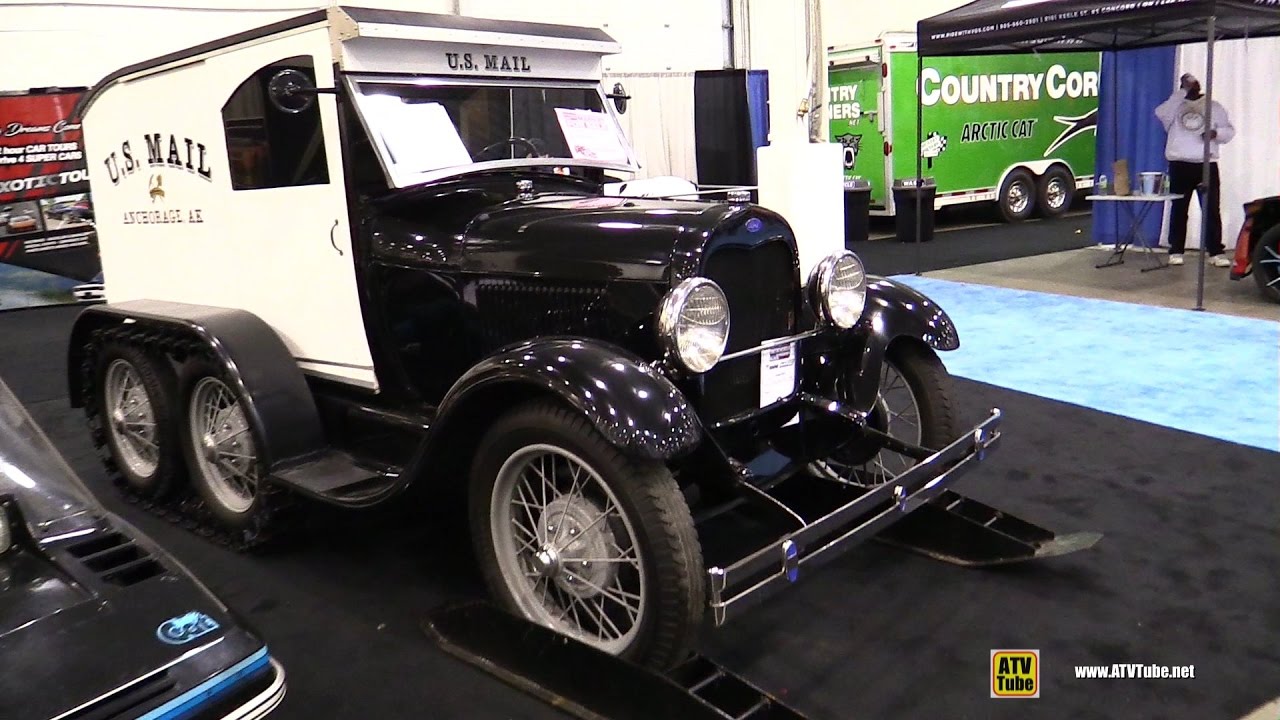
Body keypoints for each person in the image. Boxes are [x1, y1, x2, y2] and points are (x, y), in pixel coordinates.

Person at [1154, 72, 1235, 267]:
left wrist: (1216, 133)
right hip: (1180, 163)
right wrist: (1181, 93)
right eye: (1186, 84)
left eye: (1192, 84)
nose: (1191, 87)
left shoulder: (1214, 107)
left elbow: (1229, 130)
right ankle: (1176, 249)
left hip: (1205, 163)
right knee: (1179, 208)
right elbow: (1160, 113)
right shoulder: (1175, 106)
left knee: (1211, 208)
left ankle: (1215, 251)